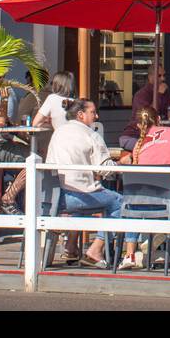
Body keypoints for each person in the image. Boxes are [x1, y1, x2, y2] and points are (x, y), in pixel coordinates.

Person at [44, 98, 131, 269]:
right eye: (93, 112)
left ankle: (70, 247)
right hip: (78, 196)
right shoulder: (92, 135)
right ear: (81, 115)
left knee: (88, 192)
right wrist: (123, 163)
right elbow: (106, 170)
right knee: (120, 202)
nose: (96, 116)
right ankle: (96, 249)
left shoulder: (58, 132)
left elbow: (49, 164)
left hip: (55, 198)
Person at [123, 105, 170, 270]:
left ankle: (129, 255)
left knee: (132, 205)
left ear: (139, 125)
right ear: (159, 119)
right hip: (168, 201)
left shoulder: (138, 145)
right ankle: (160, 233)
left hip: (140, 203)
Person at [119, 67, 170, 152]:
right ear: (150, 77)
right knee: (152, 149)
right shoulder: (141, 95)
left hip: (155, 135)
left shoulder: (166, 93)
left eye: (164, 75)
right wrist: (159, 94)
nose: (163, 79)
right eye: (159, 76)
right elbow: (147, 115)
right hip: (134, 136)